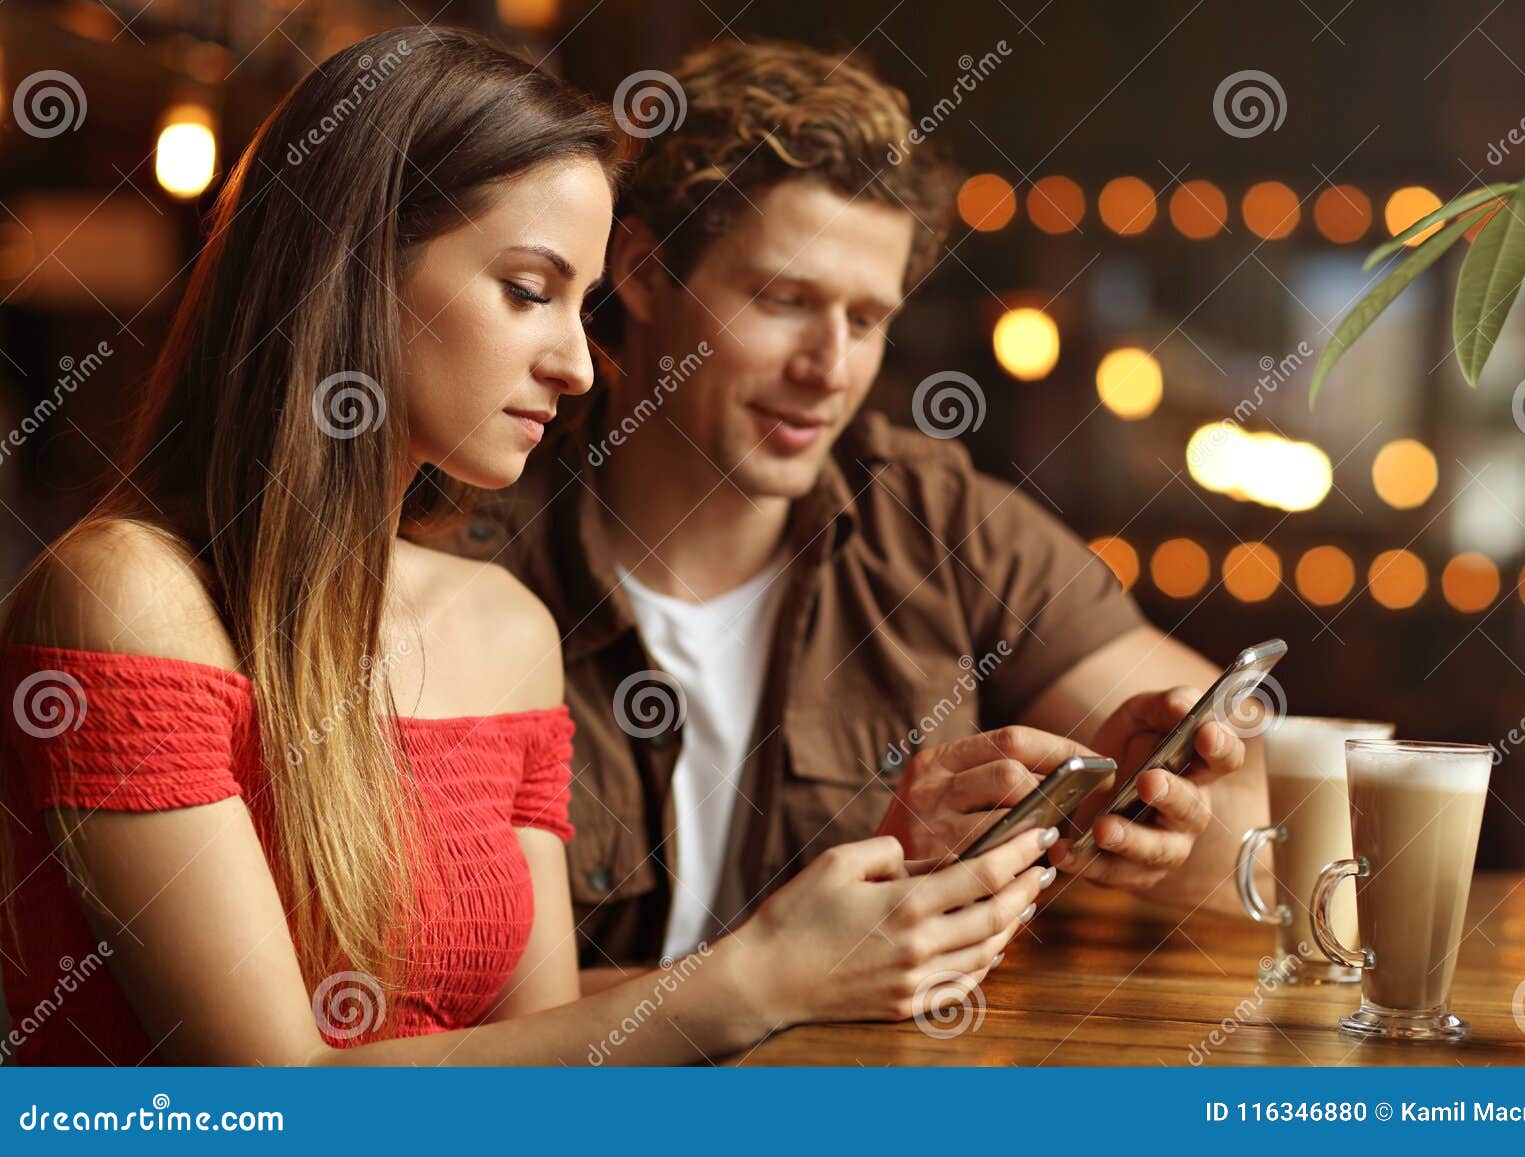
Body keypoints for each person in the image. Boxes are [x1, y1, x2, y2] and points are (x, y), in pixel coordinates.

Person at [0, 27, 1053, 1067]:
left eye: (581, 303)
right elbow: (279, 1103)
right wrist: (757, 974)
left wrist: (832, 935)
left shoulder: (503, 628)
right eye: (526, 289)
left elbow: (542, 1054)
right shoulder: (125, 599)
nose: (577, 365)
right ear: (355, 266)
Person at [438, 38, 1262, 982]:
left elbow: (1245, 815)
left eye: (865, 320)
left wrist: (1144, 815)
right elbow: (448, 1017)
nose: (829, 368)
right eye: (787, 301)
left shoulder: (939, 519)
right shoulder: (466, 551)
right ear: (645, 270)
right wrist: (782, 970)